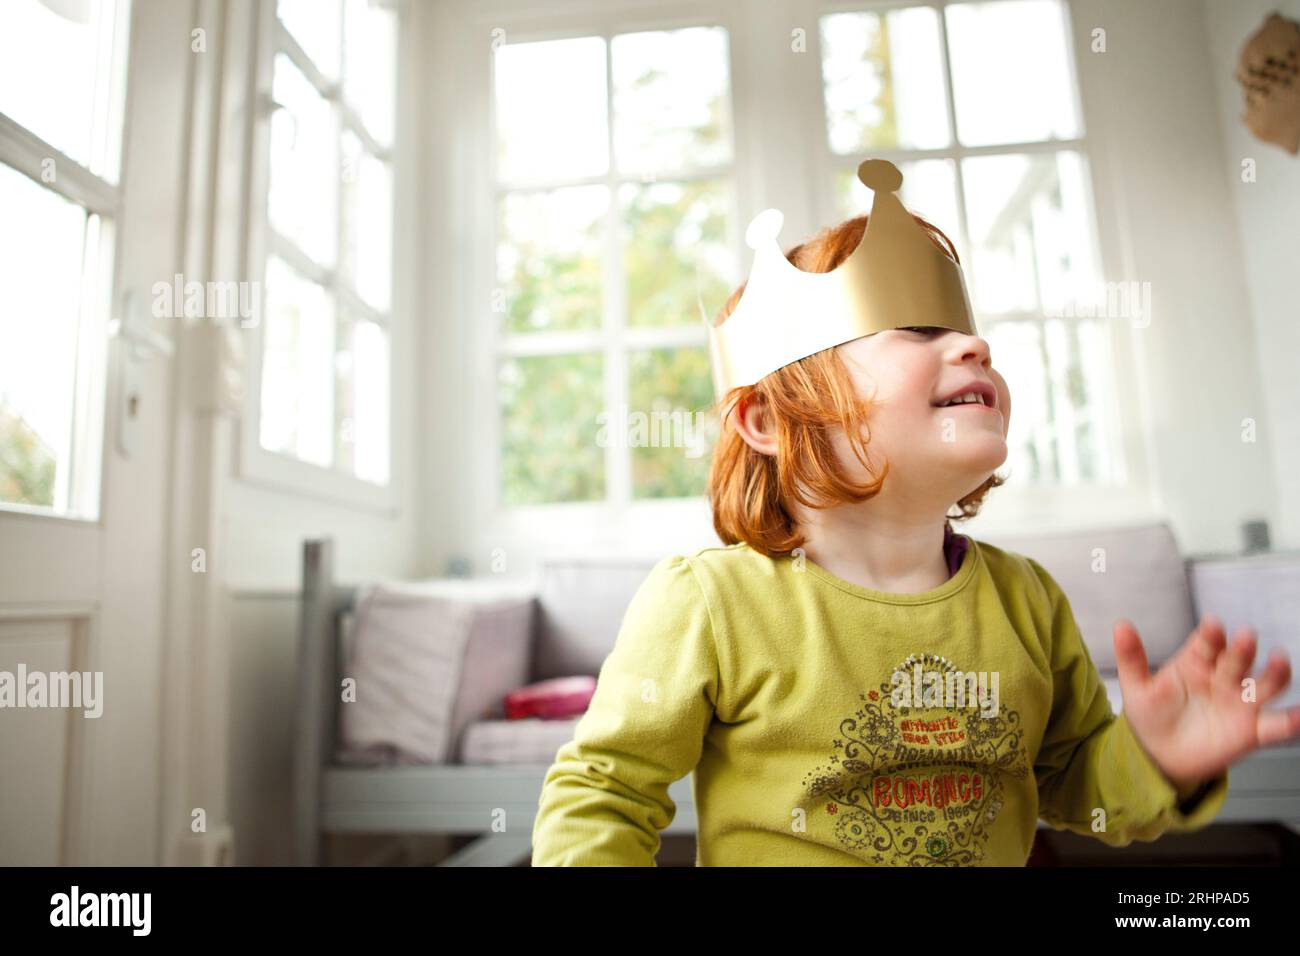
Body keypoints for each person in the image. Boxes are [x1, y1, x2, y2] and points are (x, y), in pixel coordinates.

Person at [529, 161, 1299, 866]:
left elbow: (1078, 791)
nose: (975, 344)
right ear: (768, 420)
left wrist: (1154, 760)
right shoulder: (712, 603)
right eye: (919, 329)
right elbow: (604, 790)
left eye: (964, 326)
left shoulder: (1026, 600)